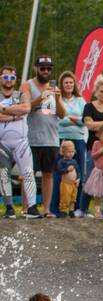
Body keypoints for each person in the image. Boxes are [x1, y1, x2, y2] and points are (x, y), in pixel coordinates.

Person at [25, 56, 61, 217]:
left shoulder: (54, 88)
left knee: (48, 174)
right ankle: (26, 208)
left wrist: (58, 98)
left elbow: (62, 114)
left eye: (48, 68)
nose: (46, 71)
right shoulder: (27, 85)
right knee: (29, 174)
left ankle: (46, 209)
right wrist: (41, 97)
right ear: (36, 68)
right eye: (42, 68)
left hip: (51, 138)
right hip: (31, 137)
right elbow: (25, 107)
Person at [0, 64, 39, 217]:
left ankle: (32, 207)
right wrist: (14, 115)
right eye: (5, 77)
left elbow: (26, 109)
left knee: (28, 173)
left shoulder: (21, 94)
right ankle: (9, 208)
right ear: (1, 78)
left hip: (21, 142)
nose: (8, 80)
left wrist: (3, 110)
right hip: (2, 143)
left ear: (15, 79)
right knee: (3, 175)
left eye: (11, 77)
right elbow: (19, 111)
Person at [52, 71, 85, 217]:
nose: (69, 85)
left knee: (78, 174)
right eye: (66, 82)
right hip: (61, 139)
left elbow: (85, 121)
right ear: (61, 84)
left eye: (71, 82)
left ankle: (77, 208)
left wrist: (69, 117)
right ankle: (56, 208)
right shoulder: (56, 99)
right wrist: (73, 119)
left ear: (74, 84)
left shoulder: (80, 101)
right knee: (60, 174)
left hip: (78, 139)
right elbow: (59, 120)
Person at [55, 140, 78, 216]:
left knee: (73, 197)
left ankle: (71, 210)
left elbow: (78, 171)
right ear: (63, 152)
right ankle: (63, 210)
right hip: (65, 183)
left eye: (72, 151)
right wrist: (67, 170)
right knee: (65, 197)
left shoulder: (74, 161)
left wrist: (78, 179)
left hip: (73, 183)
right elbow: (59, 171)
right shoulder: (61, 161)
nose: (71, 153)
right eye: (69, 152)